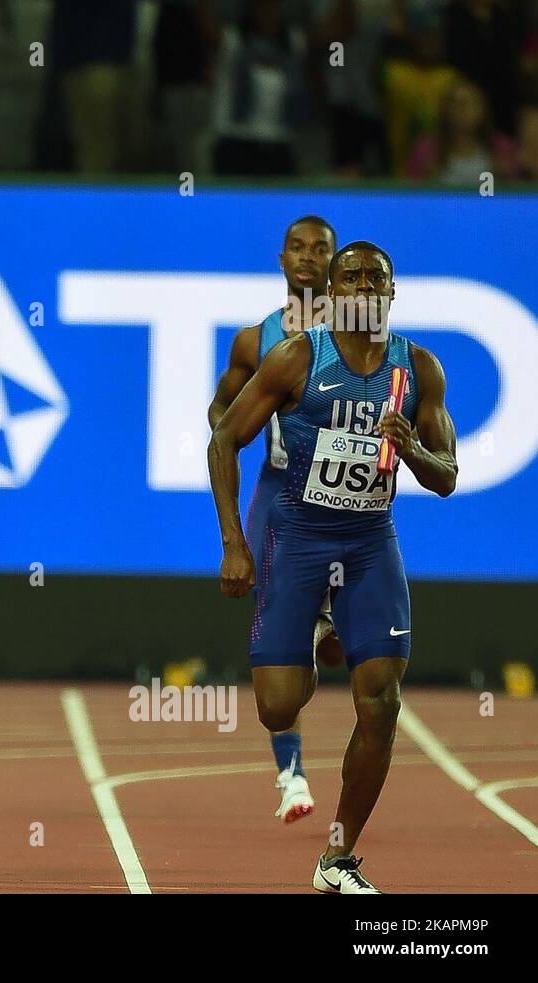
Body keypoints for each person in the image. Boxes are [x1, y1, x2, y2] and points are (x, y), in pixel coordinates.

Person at [209, 241, 459, 893]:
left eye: (377, 276)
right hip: (298, 539)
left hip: (372, 541)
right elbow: (224, 439)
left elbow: (448, 477)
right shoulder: (297, 356)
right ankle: (315, 630)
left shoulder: (419, 369)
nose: (364, 285)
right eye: (351, 275)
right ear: (332, 290)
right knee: (277, 706)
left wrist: (412, 451)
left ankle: (336, 858)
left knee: (382, 700)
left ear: (392, 291)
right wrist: (235, 541)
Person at [208, 214, 341, 824]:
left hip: (346, 504)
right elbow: (222, 418)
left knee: (346, 645)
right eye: (297, 247)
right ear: (281, 258)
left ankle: (327, 625)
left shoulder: (361, 337)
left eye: (321, 249)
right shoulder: (253, 340)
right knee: (276, 641)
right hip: (280, 490)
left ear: (336, 265)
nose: (307, 257)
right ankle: (290, 773)